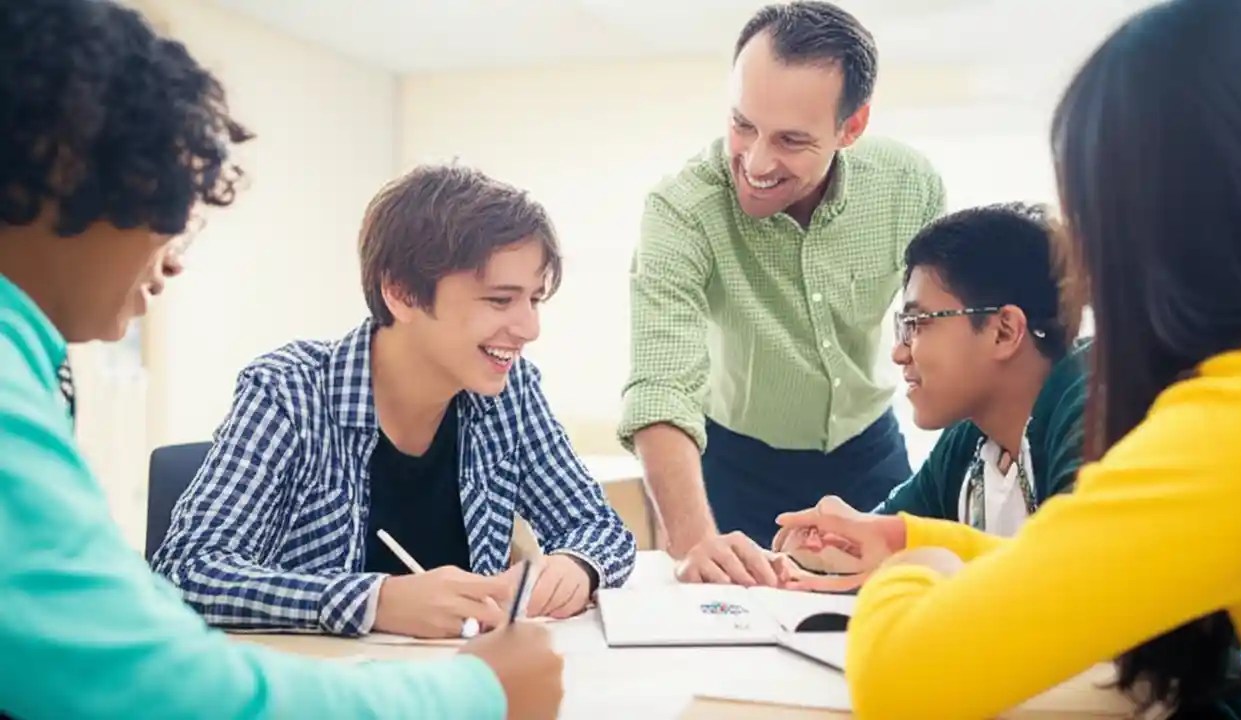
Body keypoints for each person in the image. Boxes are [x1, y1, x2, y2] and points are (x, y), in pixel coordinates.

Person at [0, 2, 562, 718]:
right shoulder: (287, 388)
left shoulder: (31, 367)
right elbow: (154, 677)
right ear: (67, 171)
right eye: (166, 203)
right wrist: (473, 690)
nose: (171, 258)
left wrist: (568, 567)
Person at [776, 0, 1241, 717]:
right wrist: (908, 538)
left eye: (1094, 210)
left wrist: (916, 567)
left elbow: (902, 679)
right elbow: (1085, 568)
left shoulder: (1226, 432)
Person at [152, 163, 637, 639]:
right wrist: (375, 601)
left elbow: (596, 526)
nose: (530, 329)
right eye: (499, 300)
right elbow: (186, 571)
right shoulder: (288, 392)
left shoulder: (513, 392)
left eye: (534, 300)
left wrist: (577, 565)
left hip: (463, 684)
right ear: (401, 293)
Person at [619, 0, 945, 586]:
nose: (756, 161)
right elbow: (661, 386)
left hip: (871, 449)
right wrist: (695, 542)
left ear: (852, 126)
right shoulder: (683, 211)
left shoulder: (908, 185)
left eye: (791, 140)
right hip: (737, 466)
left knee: (898, 613)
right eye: (743, 124)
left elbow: (942, 327)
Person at [772, 202, 1088, 582]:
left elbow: (1077, 570)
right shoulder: (971, 441)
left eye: (917, 324)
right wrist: (821, 545)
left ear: (1004, 331)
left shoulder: (1092, 408)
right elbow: (881, 541)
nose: (899, 352)